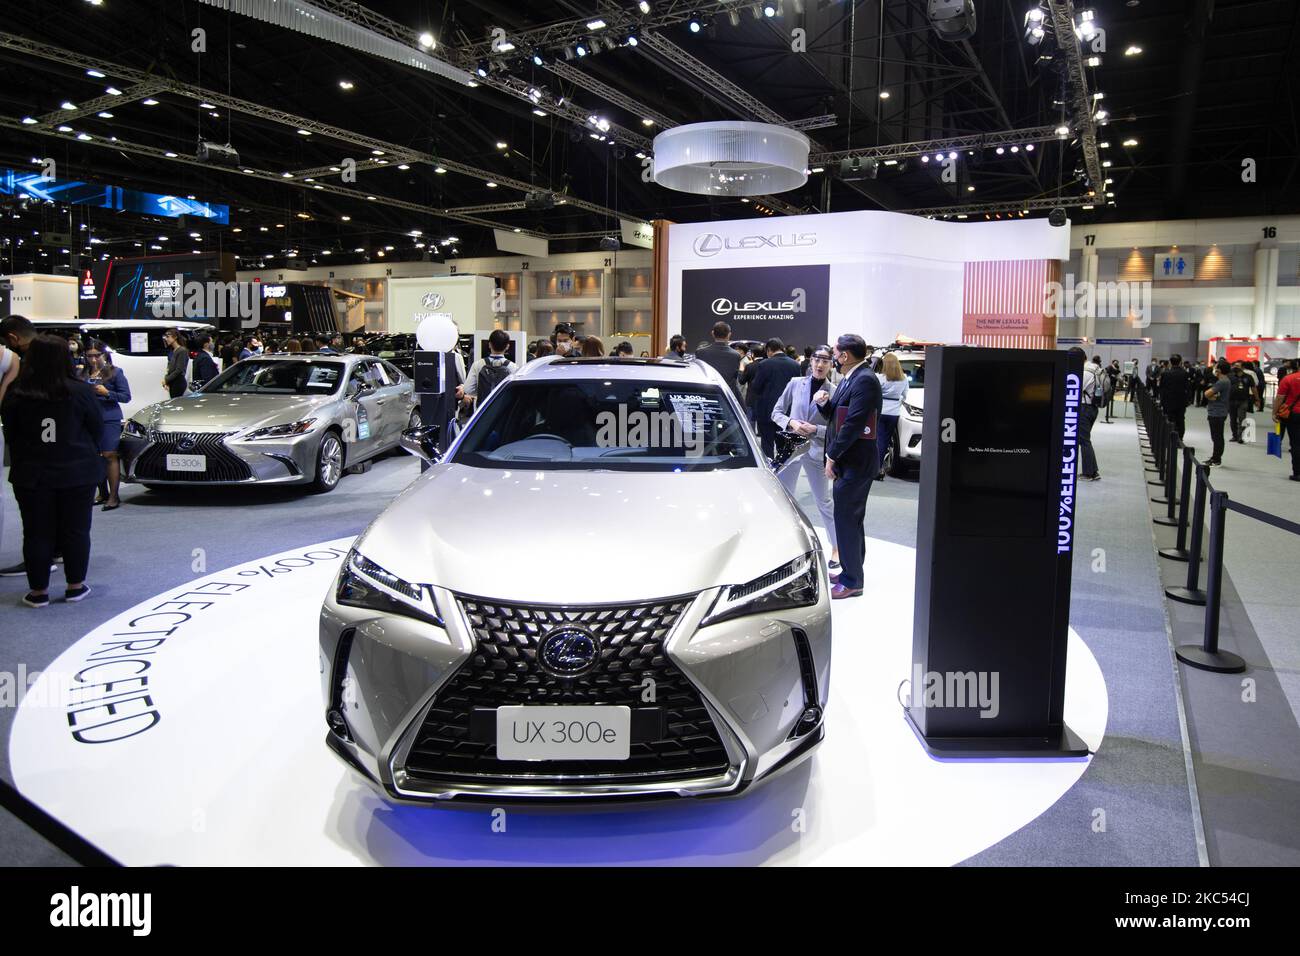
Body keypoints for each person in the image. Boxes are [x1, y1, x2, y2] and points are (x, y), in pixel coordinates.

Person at [0, 335, 104, 607]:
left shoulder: (16, 393)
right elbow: (97, 428)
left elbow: (10, 434)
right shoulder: (80, 390)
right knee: (77, 530)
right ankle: (75, 587)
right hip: (77, 472)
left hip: (32, 474)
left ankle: (38, 592)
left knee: (36, 532)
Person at [814, 334, 882, 600]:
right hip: (850, 461)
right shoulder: (852, 377)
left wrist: (832, 455)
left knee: (846, 520)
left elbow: (853, 424)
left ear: (845, 355)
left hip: (855, 462)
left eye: (835, 352)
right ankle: (850, 571)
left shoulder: (864, 379)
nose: (832, 356)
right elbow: (839, 414)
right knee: (850, 520)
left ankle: (852, 581)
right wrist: (824, 405)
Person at [772, 346, 840, 573]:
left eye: (825, 361)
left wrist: (816, 429)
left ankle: (837, 548)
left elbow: (836, 427)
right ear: (811, 362)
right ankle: (785, 544)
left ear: (831, 364)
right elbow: (776, 412)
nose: (820, 365)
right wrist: (791, 422)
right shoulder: (795, 383)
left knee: (824, 501)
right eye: (817, 360)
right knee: (783, 499)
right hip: (791, 449)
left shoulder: (836, 391)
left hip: (816, 451)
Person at [81, 340, 131, 510]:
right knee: (95, 456)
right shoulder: (82, 373)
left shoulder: (115, 372)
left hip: (109, 418)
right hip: (88, 419)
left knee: (109, 454)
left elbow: (126, 396)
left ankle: (113, 496)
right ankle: (102, 492)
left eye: (97, 355)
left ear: (104, 355)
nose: (94, 359)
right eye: (90, 356)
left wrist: (107, 392)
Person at [746, 338, 801, 458]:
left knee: (767, 445)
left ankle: (770, 473)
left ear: (769, 350)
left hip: (766, 411)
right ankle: (784, 472)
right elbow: (798, 390)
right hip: (787, 413)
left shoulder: (765, 364)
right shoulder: (795, 365)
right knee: (784, 445)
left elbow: (756, 387)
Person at [875, 352, 909, 479]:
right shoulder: (904, 378)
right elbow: (905, 395)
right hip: (894, 412)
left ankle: (877, 469)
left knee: (879, 440)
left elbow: (875, 394)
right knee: (886, 440)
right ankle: (879, 467)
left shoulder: (880, 377)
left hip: (881, 411)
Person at [461, 329, 517, 405]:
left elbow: (468, 389)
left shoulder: (478, 364)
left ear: (489, 344)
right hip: (504, 409)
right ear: (507, 346)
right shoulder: (514, 367)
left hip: (482, 410)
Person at [694, 321, 743, 401]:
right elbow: (734, 379)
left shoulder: (700, 352)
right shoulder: (735, 355)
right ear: (729, 334)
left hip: (705, 395)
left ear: (713, 334)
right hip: (726, 399)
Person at [1074, 348, 1103, 480]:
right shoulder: (1095, 367)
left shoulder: (1085, 372)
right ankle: (1093, 471)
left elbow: (1076, 388)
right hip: (1093, 407)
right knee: (1085, 440)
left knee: (1084, 441)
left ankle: (1089, 473)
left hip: (1084, 408)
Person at [1272, 360, 1300, 481]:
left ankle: (1298, 473)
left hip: (1294, 414)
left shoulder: (1289, 379)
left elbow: (1280, 398)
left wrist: (1275, 412)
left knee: (1296, 443)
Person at [1204, 361, 1231, 466]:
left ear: (1219, 370)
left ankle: (1216, 459)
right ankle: (1215, 457)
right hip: (1218, 411)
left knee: (1217, 436)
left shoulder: (1222, 382)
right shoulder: (1223, 381)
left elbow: (1207, 394)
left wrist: (1212, 397)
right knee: (1216, 436)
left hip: (1217, 412)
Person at [1159, 354, 1191, 438]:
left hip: (1168, 401)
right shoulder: (1184, 373)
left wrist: (1162, 401)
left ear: (1170, 362)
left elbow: (1161, 388)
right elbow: (1187, 388)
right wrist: (1187, 400)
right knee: (1180, 419)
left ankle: (1169, 436)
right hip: (1181, 401)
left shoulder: (1165, 373)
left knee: (1169, 419)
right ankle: (1180, 437)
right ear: (1181, 362)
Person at [1227, 362, 1255, 443]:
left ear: (1242, 367)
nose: (1235, 367)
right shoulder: (1230, 376)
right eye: (1234, 366)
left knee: (1242, 419)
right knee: (1233, 419)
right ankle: (1234, 436)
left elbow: (1253, 388)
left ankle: (1240, 436)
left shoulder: (1248, 377)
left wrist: (1257, 399)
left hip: (1243, 401)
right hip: (1231, 401)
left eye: (1237, 366)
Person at [162, 328, 189, 397]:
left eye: (168, 337)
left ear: (175, 337)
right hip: (173, 382)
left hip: (178, 382)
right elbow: (169, 368)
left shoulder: (182, 351)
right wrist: (166, 379)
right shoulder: (173, 351)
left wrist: (167, 379)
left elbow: (179, 370)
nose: (166, 339)